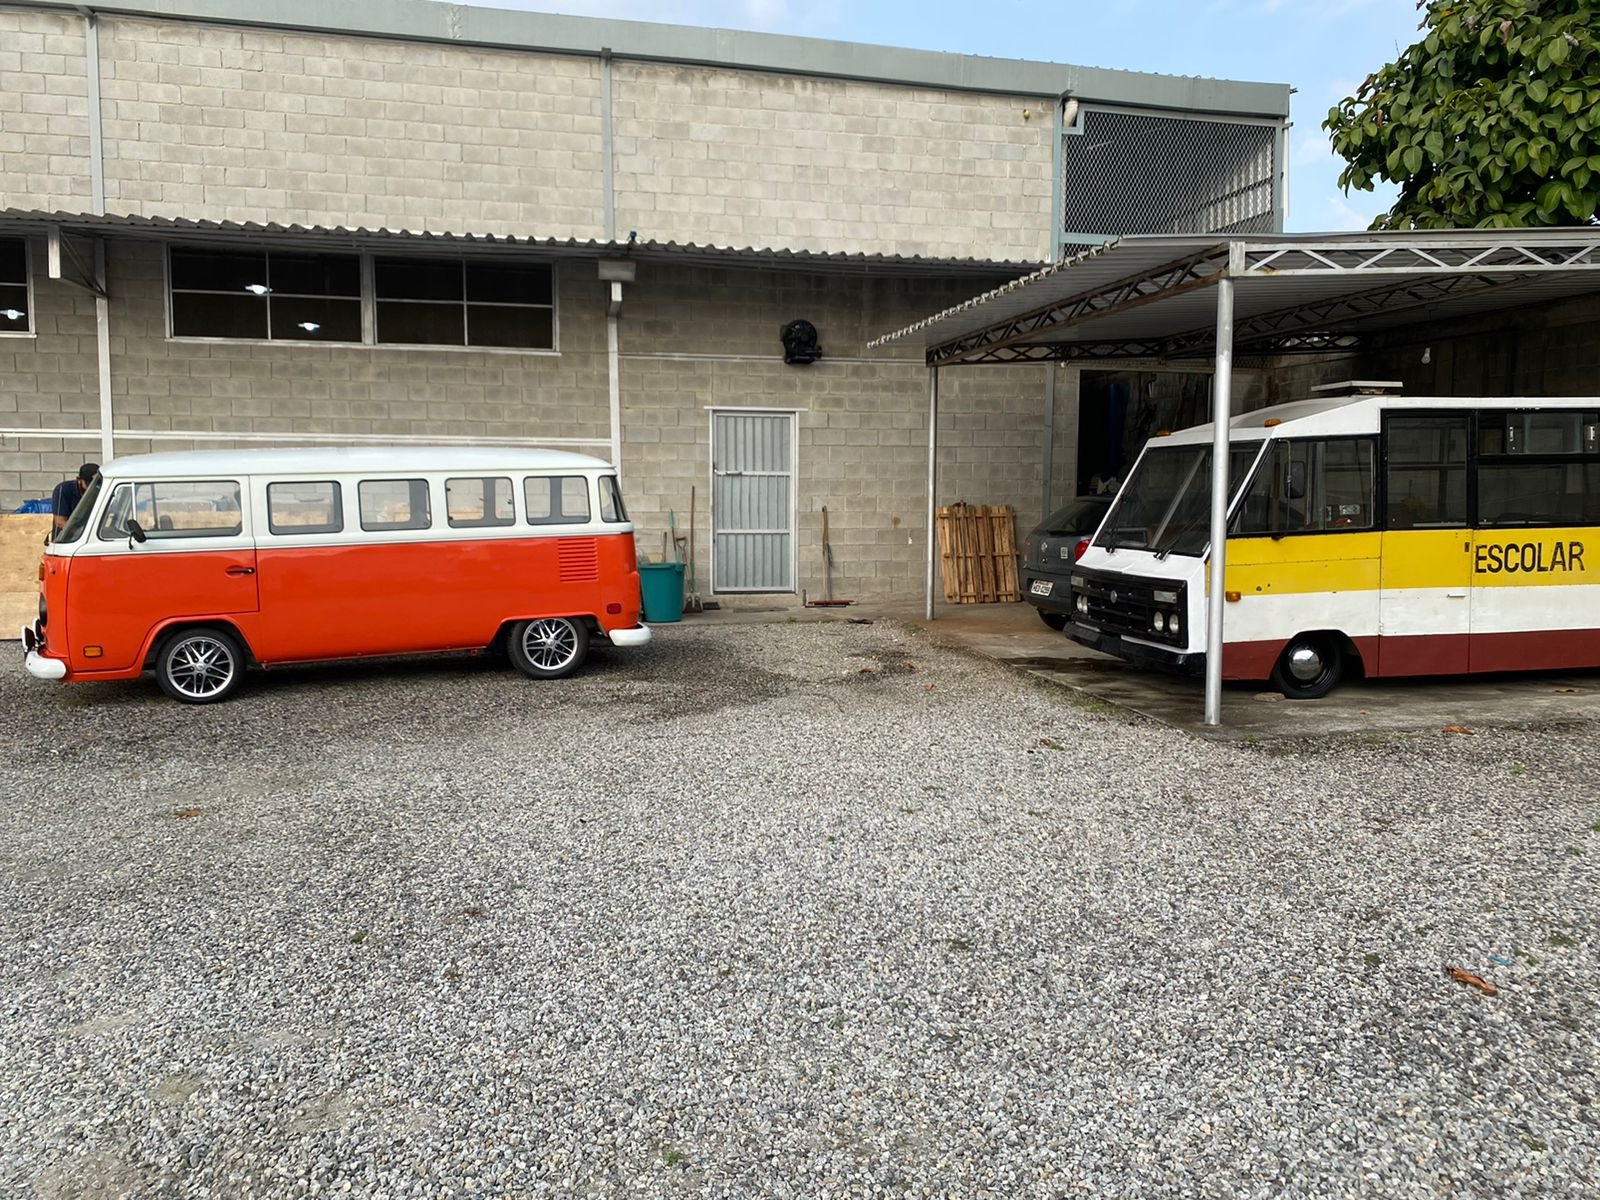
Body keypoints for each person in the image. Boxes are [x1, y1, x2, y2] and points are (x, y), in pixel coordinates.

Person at [51, 462, 99, 535]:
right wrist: (80, 533)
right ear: (79, 480)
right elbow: (60, 522)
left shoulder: (98, 490)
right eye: (89, 484)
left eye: (96, 484)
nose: (92, 488)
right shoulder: (63, 489)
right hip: (65, 536)